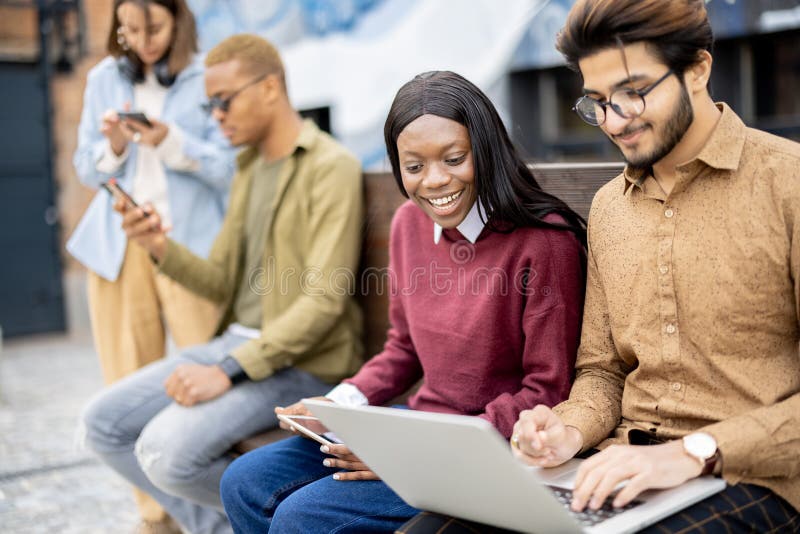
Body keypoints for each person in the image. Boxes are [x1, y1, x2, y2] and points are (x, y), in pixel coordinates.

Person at [400, 1, 800, 532]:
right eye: (597, 102)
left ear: (697, 69)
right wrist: (567, 431)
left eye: (633, 92)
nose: (613, 120)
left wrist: (693, 452)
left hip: (754, 477)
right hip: (617, 465)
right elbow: (602, 371)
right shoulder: (611, 208)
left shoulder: (786, 184)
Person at [218, 70, 587, 533]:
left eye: (454, 159)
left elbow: (548, 390)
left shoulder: (545, 241)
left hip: (488, 448)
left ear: (486, 149)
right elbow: (404, 347)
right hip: (419, 423)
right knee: (244, 482)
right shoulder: (408, 224)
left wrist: (418, 454)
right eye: (414, 167)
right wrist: (336, 406)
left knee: (302, 517)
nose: (435, 181)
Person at [80, 33, 365, 534]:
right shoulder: (249, 169)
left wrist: (227, 370)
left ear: (270, 88)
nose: (215, 116)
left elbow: (323, 302)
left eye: (223, 101)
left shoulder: (330, 166)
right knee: (101, 423)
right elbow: (219, 281)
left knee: (164, 453)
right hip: (235, 346)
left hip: (302, 364)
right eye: (209, 104)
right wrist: (157, 245)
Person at [67, 1, 234, 531]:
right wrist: (114, 148)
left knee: (206, 377)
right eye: (130, 30)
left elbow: (231, 166)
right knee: (126, 383)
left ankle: (217, 507)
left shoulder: (207, 76)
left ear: (178, 20)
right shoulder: (103, 78)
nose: (143, 40)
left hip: (190, 249)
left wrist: (172, 142)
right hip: (118, 247)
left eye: (154, 27)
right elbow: (85, 167)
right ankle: (155, 517)